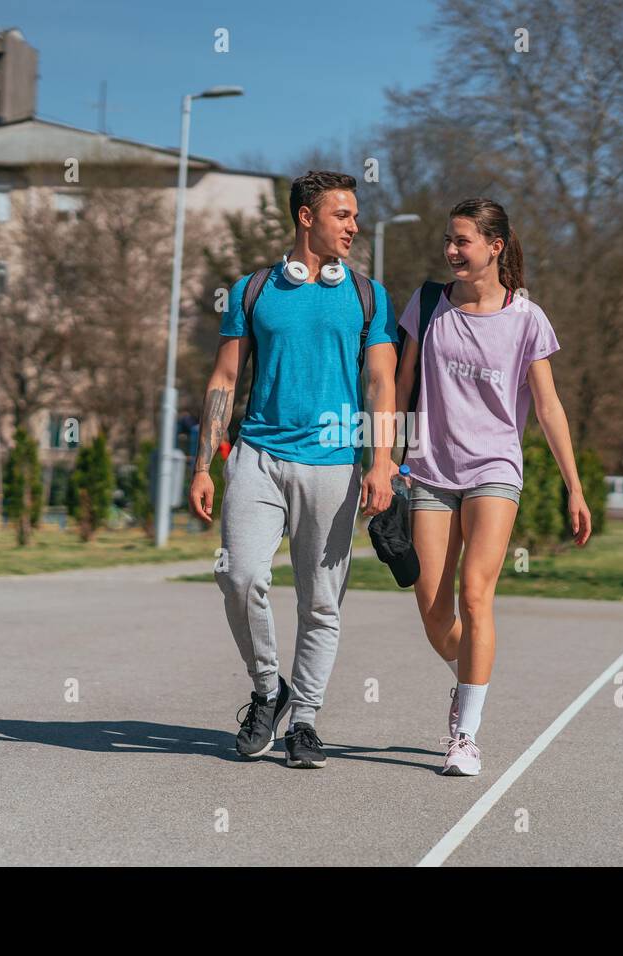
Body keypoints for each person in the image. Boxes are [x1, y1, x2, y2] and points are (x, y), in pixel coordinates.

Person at [189, 170, 399, 769]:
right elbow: (225, 379)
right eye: (343, 215)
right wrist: (204, 463)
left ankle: (304, 719)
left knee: (320, 600)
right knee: (239, 575)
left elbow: (382, 381)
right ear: (307, 217)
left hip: (335, 462)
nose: (354, 227)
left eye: (355, 215)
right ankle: (266, 689)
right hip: (257, 453)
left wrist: (382, 462)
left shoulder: (367, 294)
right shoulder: (254, 289)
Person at [394, 198, 592, 776]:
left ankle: (465, 735)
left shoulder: (527, 319)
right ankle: (469, 675)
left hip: (494, 471)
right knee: (433, 610)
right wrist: (386, 457)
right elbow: (403, 382)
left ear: (495, 246)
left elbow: (549, 407)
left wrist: (573, 487)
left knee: (475, 595)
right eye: (449, 241)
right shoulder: (428, 304)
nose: (452, 251)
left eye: (463, 241)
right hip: (429, 468)